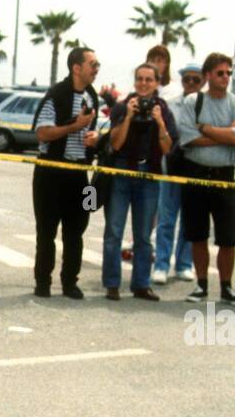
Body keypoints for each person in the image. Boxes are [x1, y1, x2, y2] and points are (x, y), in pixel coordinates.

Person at [101, 64, 176, 301]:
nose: (144, 84)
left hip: (149, 176)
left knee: (143, 235)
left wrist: (160, 122)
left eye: (149, 80)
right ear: (135, 82)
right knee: (114, 230)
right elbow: (116, 144)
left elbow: (167, 148)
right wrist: (128, 117)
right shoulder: (123, 107)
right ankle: (112, 284)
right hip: (123, 171)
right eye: (140, 79)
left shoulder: (163, 109)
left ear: (156, 83)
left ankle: (141, 284)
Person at [30, 47, 100, 298]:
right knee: (46, 231)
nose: (97, 68)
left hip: (79, 173)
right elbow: (42, 132)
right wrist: (75, 126)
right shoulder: (56, 95)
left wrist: (93, 137)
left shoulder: (92, 96)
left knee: (76, 231)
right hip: (50, 171)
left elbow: (90, 130)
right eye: (92, 63)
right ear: (76, 68)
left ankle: (70, 282)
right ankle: (43, 282)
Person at [176, 52, 235, 304]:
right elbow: (188, 139)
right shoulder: (193, 101)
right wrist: (223, 136)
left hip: (225, 175)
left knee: (229, 237)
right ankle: (201, 285)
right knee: (197, 234)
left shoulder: (234, 102)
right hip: (196, 173)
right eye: (220, 73)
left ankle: (226, 286)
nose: (225, 78)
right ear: (208, 75)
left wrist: (206, 129)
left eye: (229, 73)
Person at [153, 63, 203, 285]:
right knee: (166, 218)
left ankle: (184, 264)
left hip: (196, 166)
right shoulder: (171, 104)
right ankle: (161, 264)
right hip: (172, 165)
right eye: (187, 79)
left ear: (203, 81)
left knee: (190, 219)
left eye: (196, 79)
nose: (191, 83)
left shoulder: (207, 104)